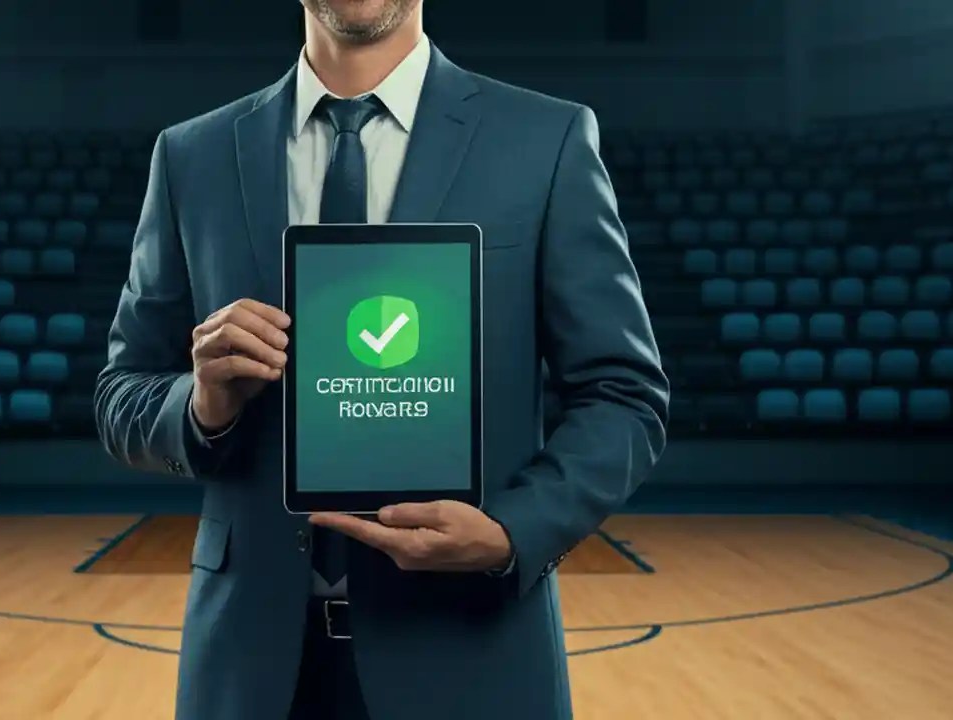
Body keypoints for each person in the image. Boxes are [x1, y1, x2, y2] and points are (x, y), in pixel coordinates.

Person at [95, 0, 669, 717]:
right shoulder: (192, 155)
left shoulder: (544, 139)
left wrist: (510, 534)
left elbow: (623, 396)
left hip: (469, 654)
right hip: (251, 670)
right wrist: (203, 404)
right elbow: (122, 394)